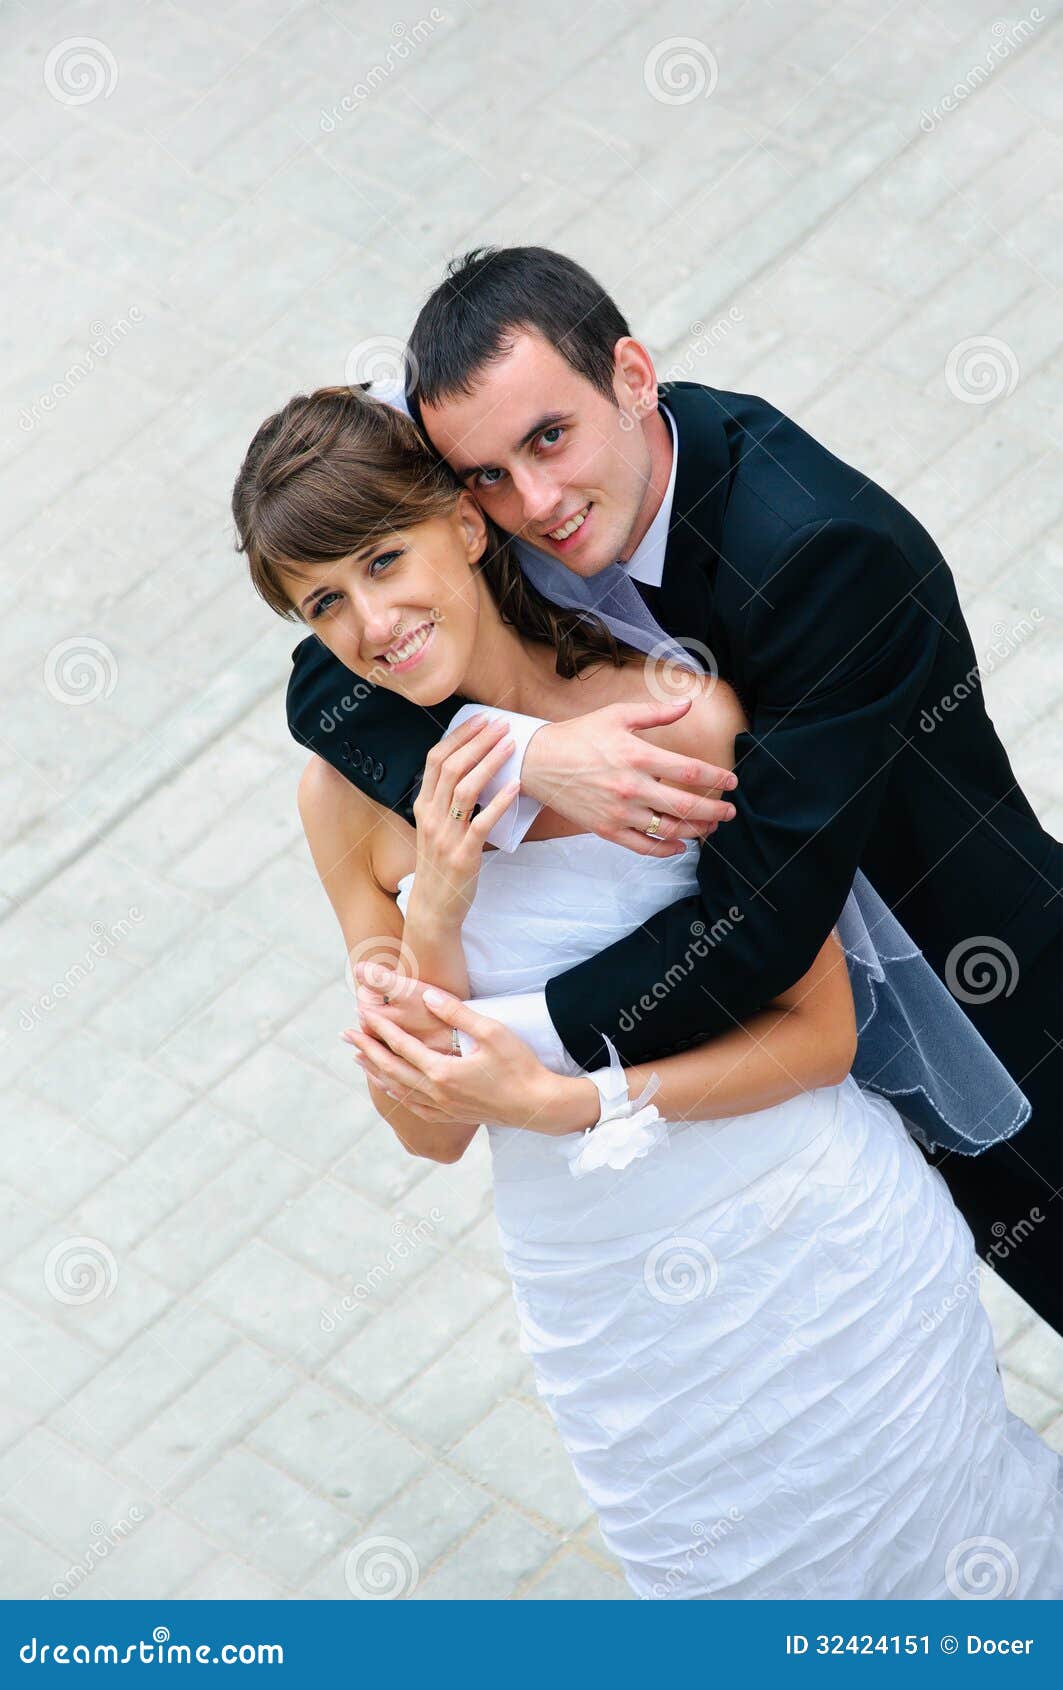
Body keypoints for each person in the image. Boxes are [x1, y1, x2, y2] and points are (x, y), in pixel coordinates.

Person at [231, 385, 1063, 1599]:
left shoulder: (673, 713)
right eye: (323, 603)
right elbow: (431, 1128)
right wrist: (444, 905)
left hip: (816, 1259)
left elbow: (821, 1034)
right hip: (613, 1326)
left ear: (468, 527)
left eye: (382, 559)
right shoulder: (344, 798)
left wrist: (576, 1104)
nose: (372, 622)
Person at [284, 248, 1062, 1333]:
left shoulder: (817, 554)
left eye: (549, 437)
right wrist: (524, 759)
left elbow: (753, 933)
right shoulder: (522, 508)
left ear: (634, 376)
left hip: (979, 994)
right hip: (759, 1116)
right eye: (487, 478)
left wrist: (501, 1045)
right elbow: (326, 683)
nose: (535, 504)